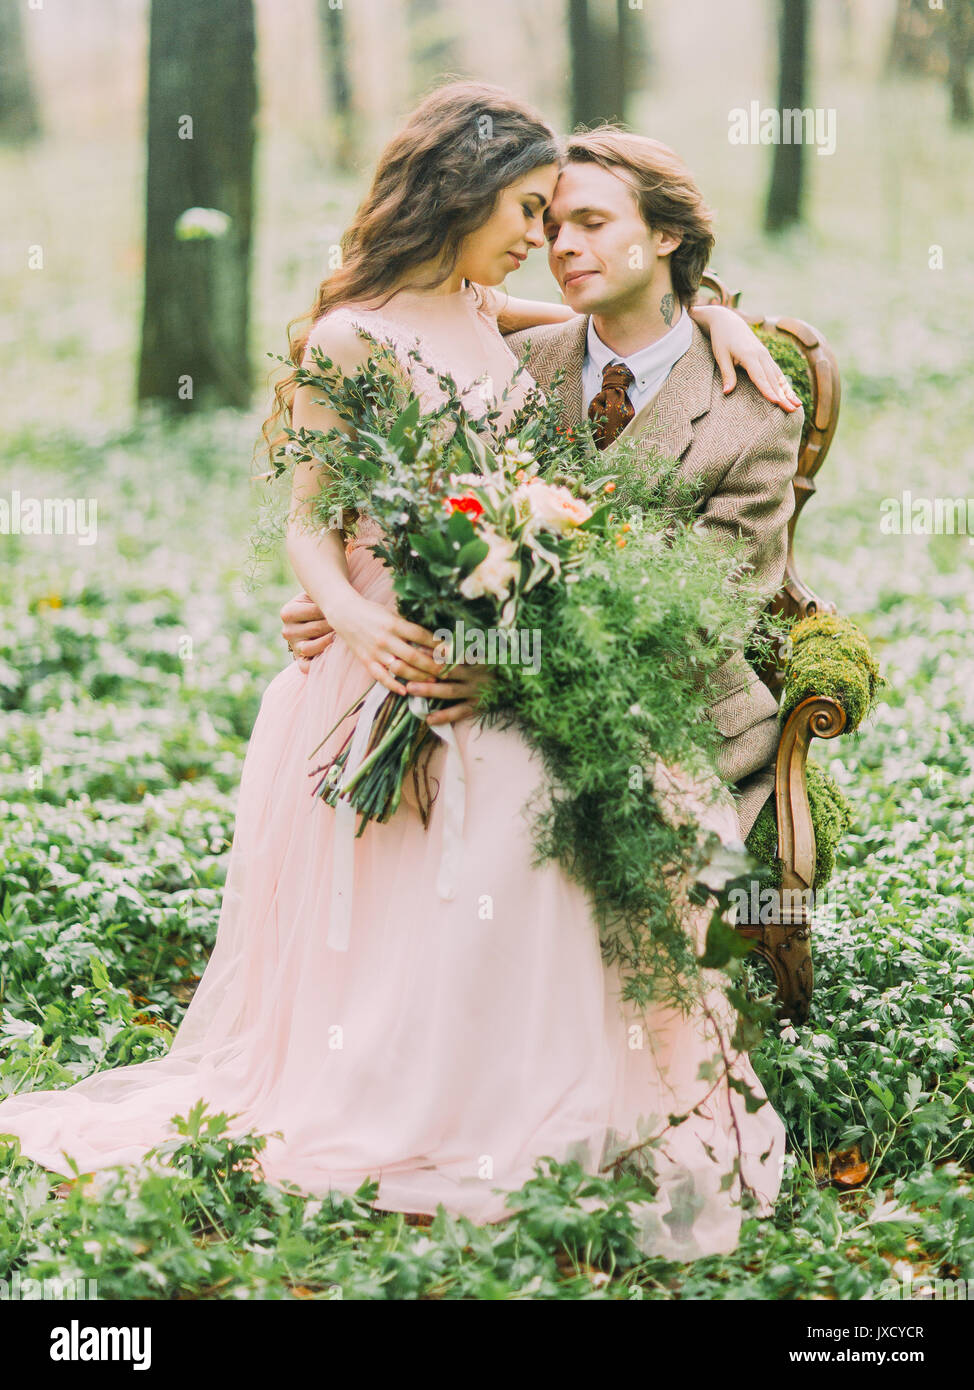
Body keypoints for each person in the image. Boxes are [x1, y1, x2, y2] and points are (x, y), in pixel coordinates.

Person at [0, 82, 786, 1262]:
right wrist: (353, 620)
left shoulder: (483, 305)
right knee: (511, 804)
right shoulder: (347, 335)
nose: (541, 239)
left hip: (488, 639)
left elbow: (615, 311)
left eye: (557, 215)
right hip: (388, 648)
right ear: (463, 197)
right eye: (527, 211)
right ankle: (415, 1088)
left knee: (551, 794)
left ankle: (528, 1081)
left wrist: (718, 315)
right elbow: (309, 520)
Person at [286, 125, 803, 843]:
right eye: (549, 224)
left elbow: (704, 620)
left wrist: (513, 675)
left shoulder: (749, 412)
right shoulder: (505, 363)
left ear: (666, 236)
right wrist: (352, 601)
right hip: (456, 696)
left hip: (661, 721)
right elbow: (403, 508)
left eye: (591, 223)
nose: (558, 245)